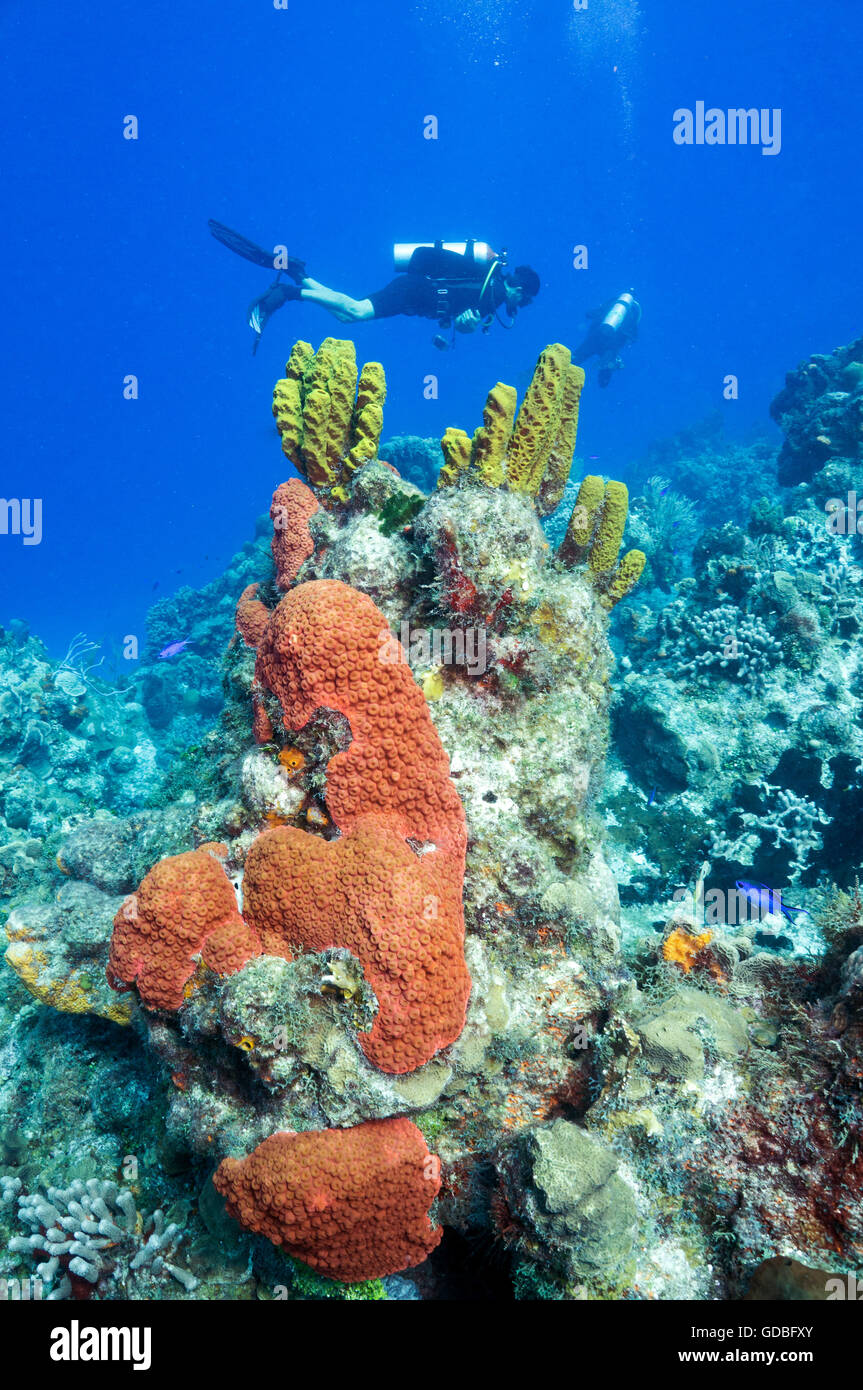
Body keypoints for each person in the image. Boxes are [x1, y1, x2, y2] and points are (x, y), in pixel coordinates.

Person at [209, 223, 539, 351]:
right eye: (523, 301)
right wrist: (466, 327)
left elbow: (461, 311)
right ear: (521, 292)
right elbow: (464, 320)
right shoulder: (494, 294)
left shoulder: (490, 283)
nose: (518, 306)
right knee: (355, 310)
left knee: (347, 316)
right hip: (417, 293)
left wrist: (463, 324)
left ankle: (299, 275)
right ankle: (287, 294)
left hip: (416, 292)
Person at [573, 289, 641, 387]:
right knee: (607, 366)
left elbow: (592, 313)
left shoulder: (611, 304)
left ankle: (557, 376)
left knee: (575, 360)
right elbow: (633, 336)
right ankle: (603, 378)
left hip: (595, 338)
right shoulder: (633, 312)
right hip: (611, 345)